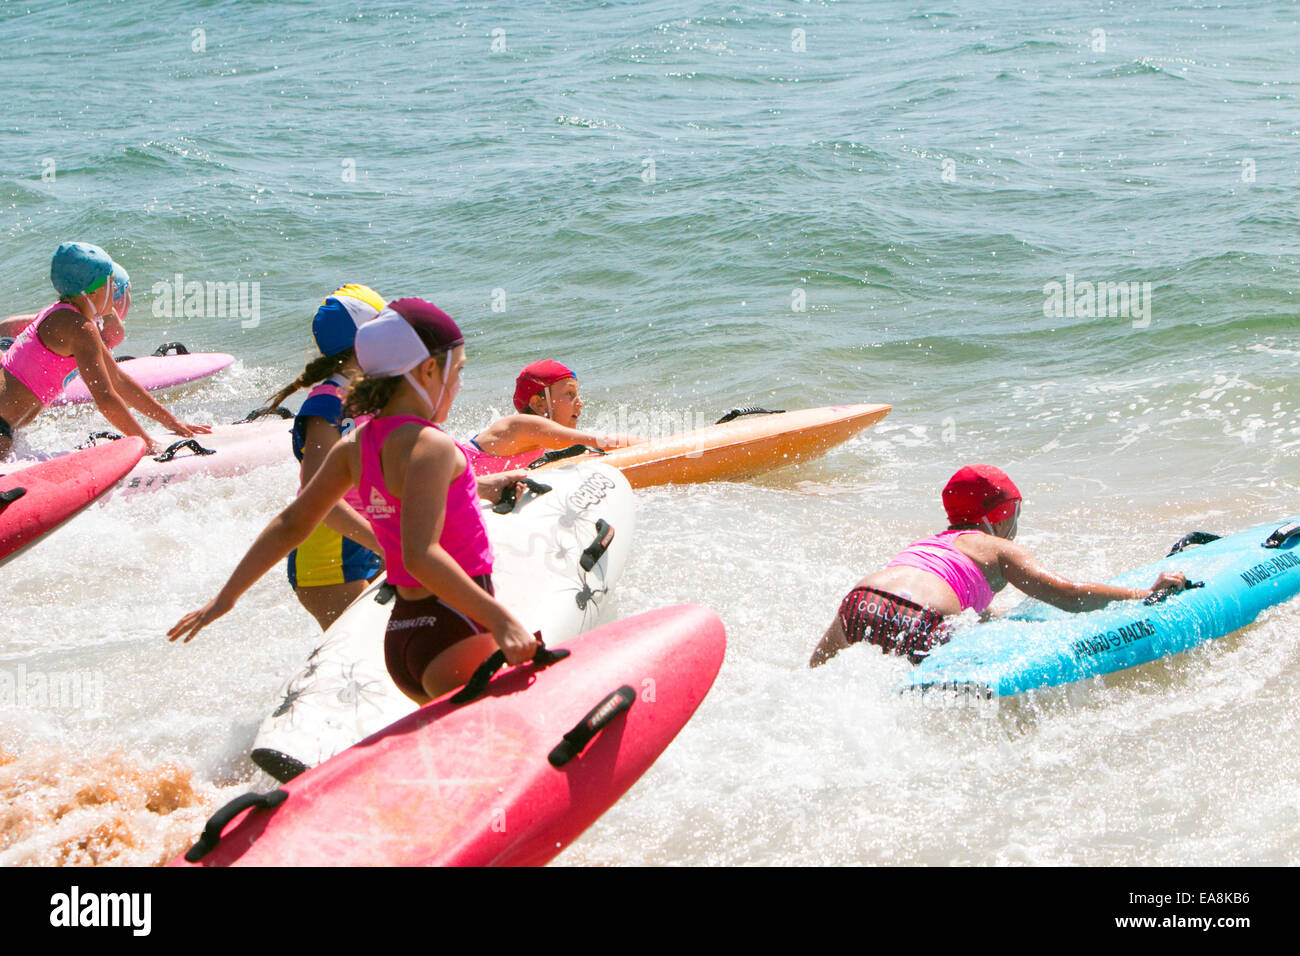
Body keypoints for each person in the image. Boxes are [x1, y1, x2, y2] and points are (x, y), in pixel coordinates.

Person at [168, 298, 538, 704]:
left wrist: (226, 597)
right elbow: (420, 555)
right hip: (456, 628)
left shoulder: (355, 445)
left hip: (404, 636)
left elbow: (291, 524)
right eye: (459, 369)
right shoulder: (429, 444)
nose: (461, 383)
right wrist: (502, 622)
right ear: (429, 369)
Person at [809, 464, 1188, 668]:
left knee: (822, 676)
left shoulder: (930, 545)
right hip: (921, 614)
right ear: (1003, 515)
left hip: (859, 602)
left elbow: (955, 594)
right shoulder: (998, 548)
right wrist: (1144, 594)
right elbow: (1069, 595)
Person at [0, 243, 209, 459]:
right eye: (112, 285)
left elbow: (118, 379)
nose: (115, 293)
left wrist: (170, 421)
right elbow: (106, 398)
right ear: (95, 290)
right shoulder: (80, 329)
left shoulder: (65, 316)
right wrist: (146, 444)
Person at [263, 284, 388, 629]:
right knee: (360, 655)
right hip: (326, 562)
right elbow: (321, 501)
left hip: (366, 543)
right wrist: (387, 544)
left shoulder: (368, 398)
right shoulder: (327, 406)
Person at [463, 358, 643, 473]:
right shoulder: (522, 425)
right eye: (569, 394)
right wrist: (655, 444)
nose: (580, 403)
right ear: (539, 404)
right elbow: (600, 440)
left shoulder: (538, 439)